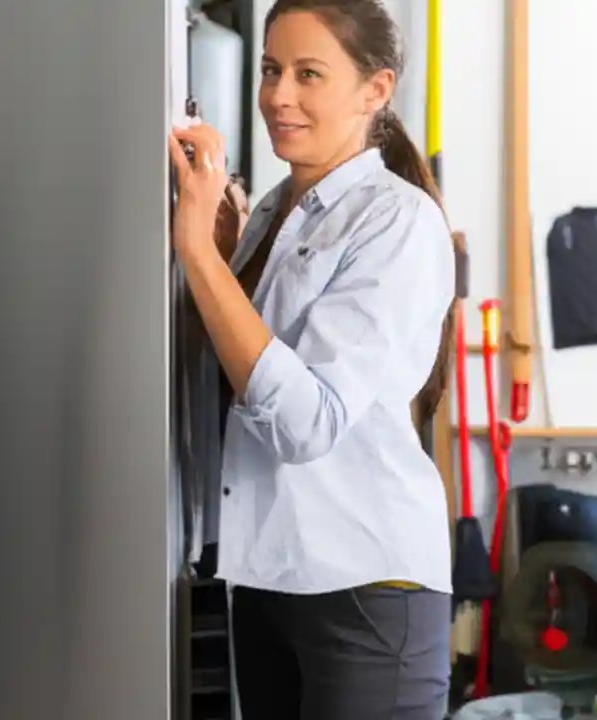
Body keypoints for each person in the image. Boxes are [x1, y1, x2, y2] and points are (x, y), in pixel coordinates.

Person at [168, 0, 458, 718]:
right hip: (267, 574)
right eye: (271, 69)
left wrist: (199, 253)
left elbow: (307, 423)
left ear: (375, 90)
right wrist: (222, 257)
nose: (277, 96)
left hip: (365, 591)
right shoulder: (269, 212)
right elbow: (229, 387)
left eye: (308, 74)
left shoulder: (398, 220)